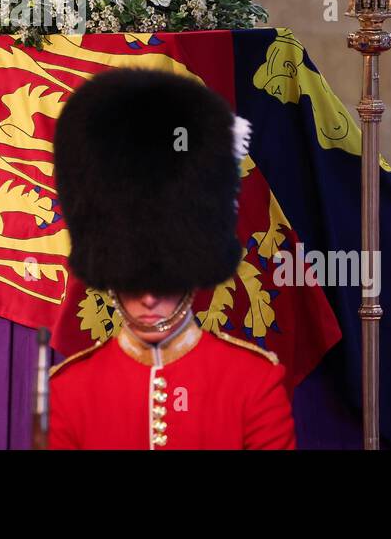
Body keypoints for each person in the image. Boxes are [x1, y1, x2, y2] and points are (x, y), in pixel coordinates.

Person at [48, 68, 295, 450]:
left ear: (192, 272)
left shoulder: (254, 381)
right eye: (132, 282)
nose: (149, 299)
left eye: (164, 283)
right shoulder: (69, 390)